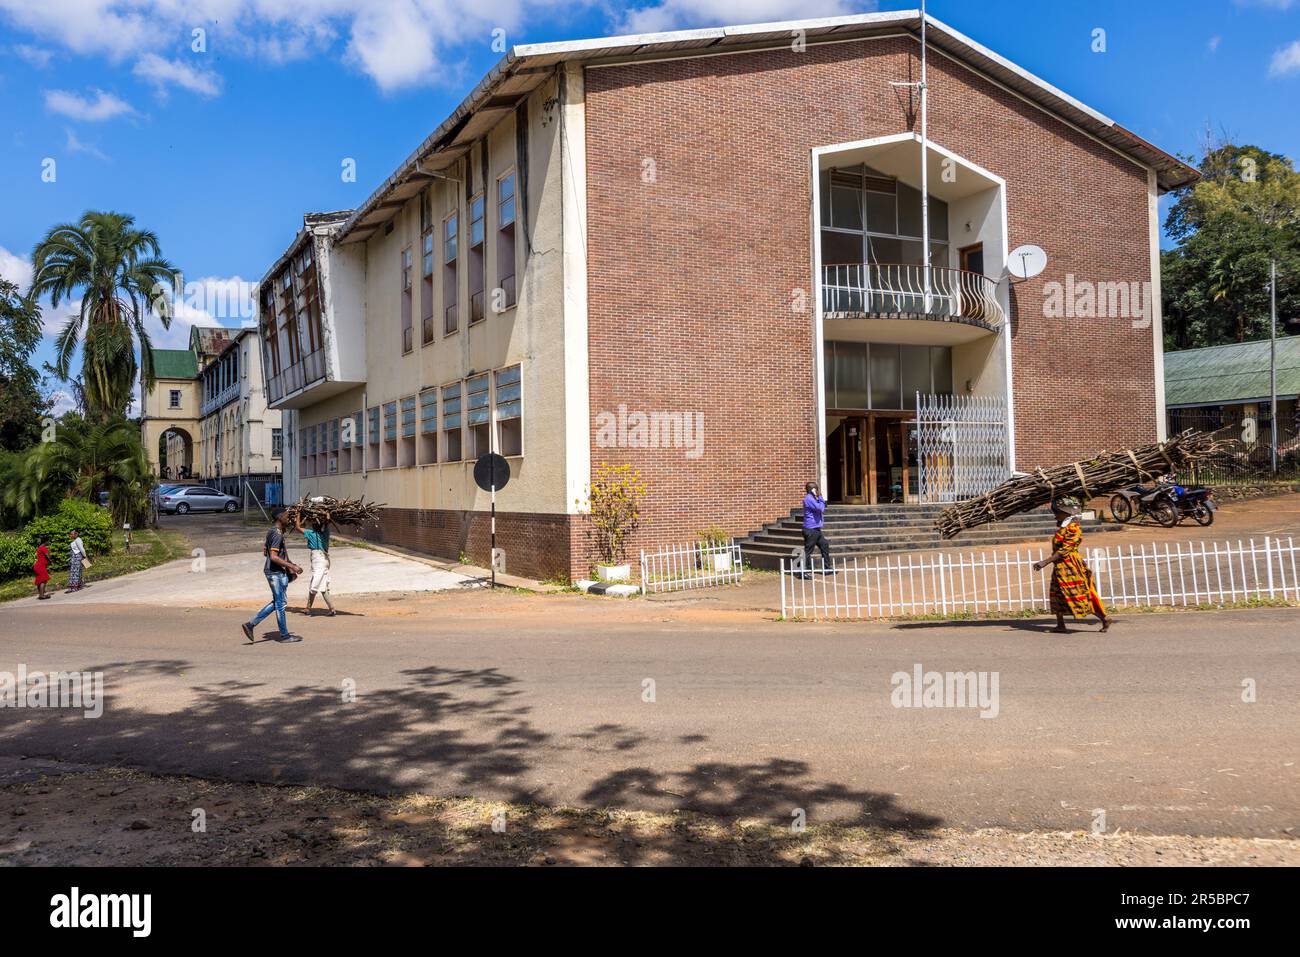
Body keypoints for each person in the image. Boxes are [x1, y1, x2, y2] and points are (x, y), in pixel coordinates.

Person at [1034, 496, 1111, 633]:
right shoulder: (1064, 527)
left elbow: (1064, 550)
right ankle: (1060, 624)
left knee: (1078, 595)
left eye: (1057, 512)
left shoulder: (1073, 529)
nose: (1055, 515)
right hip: (1059, 567)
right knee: (1057, 594)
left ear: (1067, 512)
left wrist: (1044, 562)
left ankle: (1104, 618)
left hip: (1071, 567)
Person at [242, 511, 303, 643]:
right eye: (286, 516)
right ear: (280, 517)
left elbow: (266, 551)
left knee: (279, 602)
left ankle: (250, 624)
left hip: (274, 571)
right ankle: (284, 636)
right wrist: (292, 567)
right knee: (280, 604)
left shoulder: (271, 531)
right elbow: (273, 556)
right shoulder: (277, 534)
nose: (288, 519)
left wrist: (287, 564)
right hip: (275, 573)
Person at [295, 513, 337, 616]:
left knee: (314, 584)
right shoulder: (325, 533)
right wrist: (327, 513)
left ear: (313, 525)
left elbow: (297, 527)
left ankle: (308, 608)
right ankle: (331, 609)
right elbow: (327, 521)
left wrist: (298, 514)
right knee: (322, 586)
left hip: (318, 561)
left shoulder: (310, 533)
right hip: (325, 560)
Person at [801, 481, 833, 577]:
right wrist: (821, 497)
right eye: (817, 489)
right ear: (813, 490)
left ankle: (827, 568)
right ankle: (804, 572)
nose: (818, 491)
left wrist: (818, 498)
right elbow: (821, 509)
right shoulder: (809, 499)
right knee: (808, 551)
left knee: (824, 545)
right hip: (811, 530)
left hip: (816, 529)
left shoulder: (813, 498)